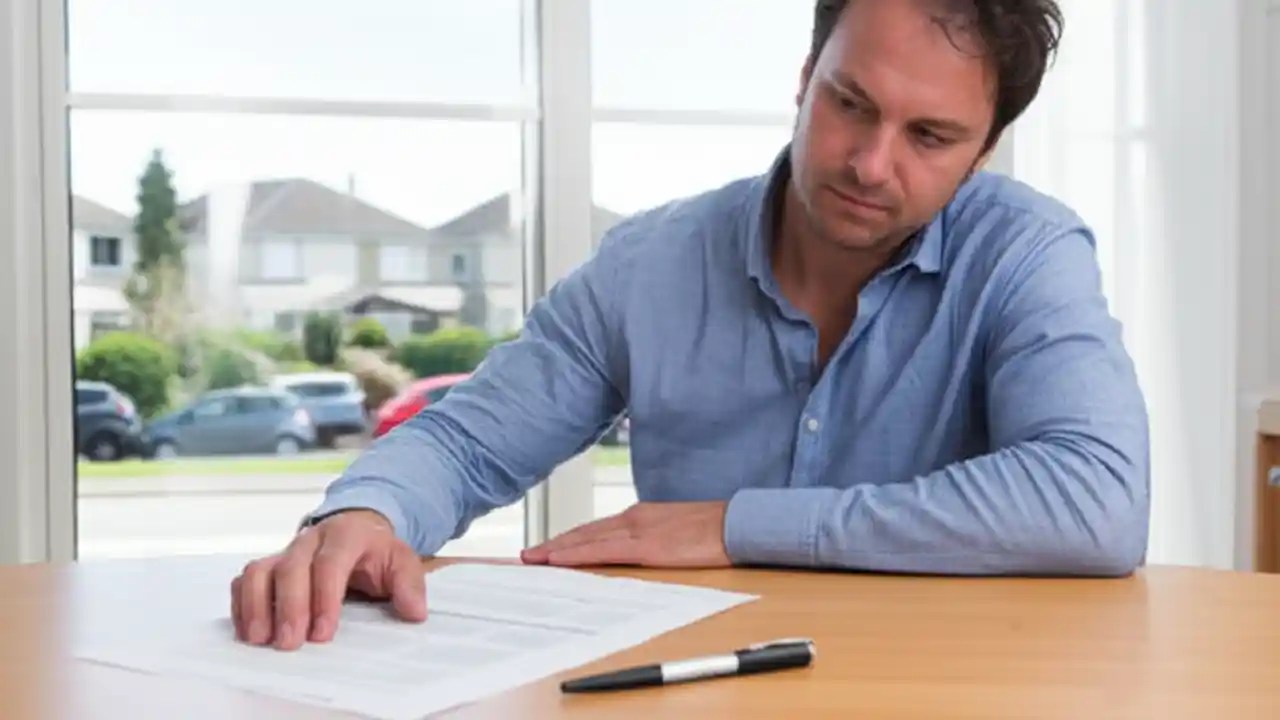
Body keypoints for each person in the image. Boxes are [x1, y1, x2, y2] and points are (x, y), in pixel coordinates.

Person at [231, 0, 1150, 651]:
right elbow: (470, 443)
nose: (871, 163)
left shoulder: (1027, 252)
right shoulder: (653, 264)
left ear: (984, 150)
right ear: (804, 79)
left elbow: (1096, 501)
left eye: (930, 137)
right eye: (851, 104)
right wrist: (367, 510)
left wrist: (740, 526)